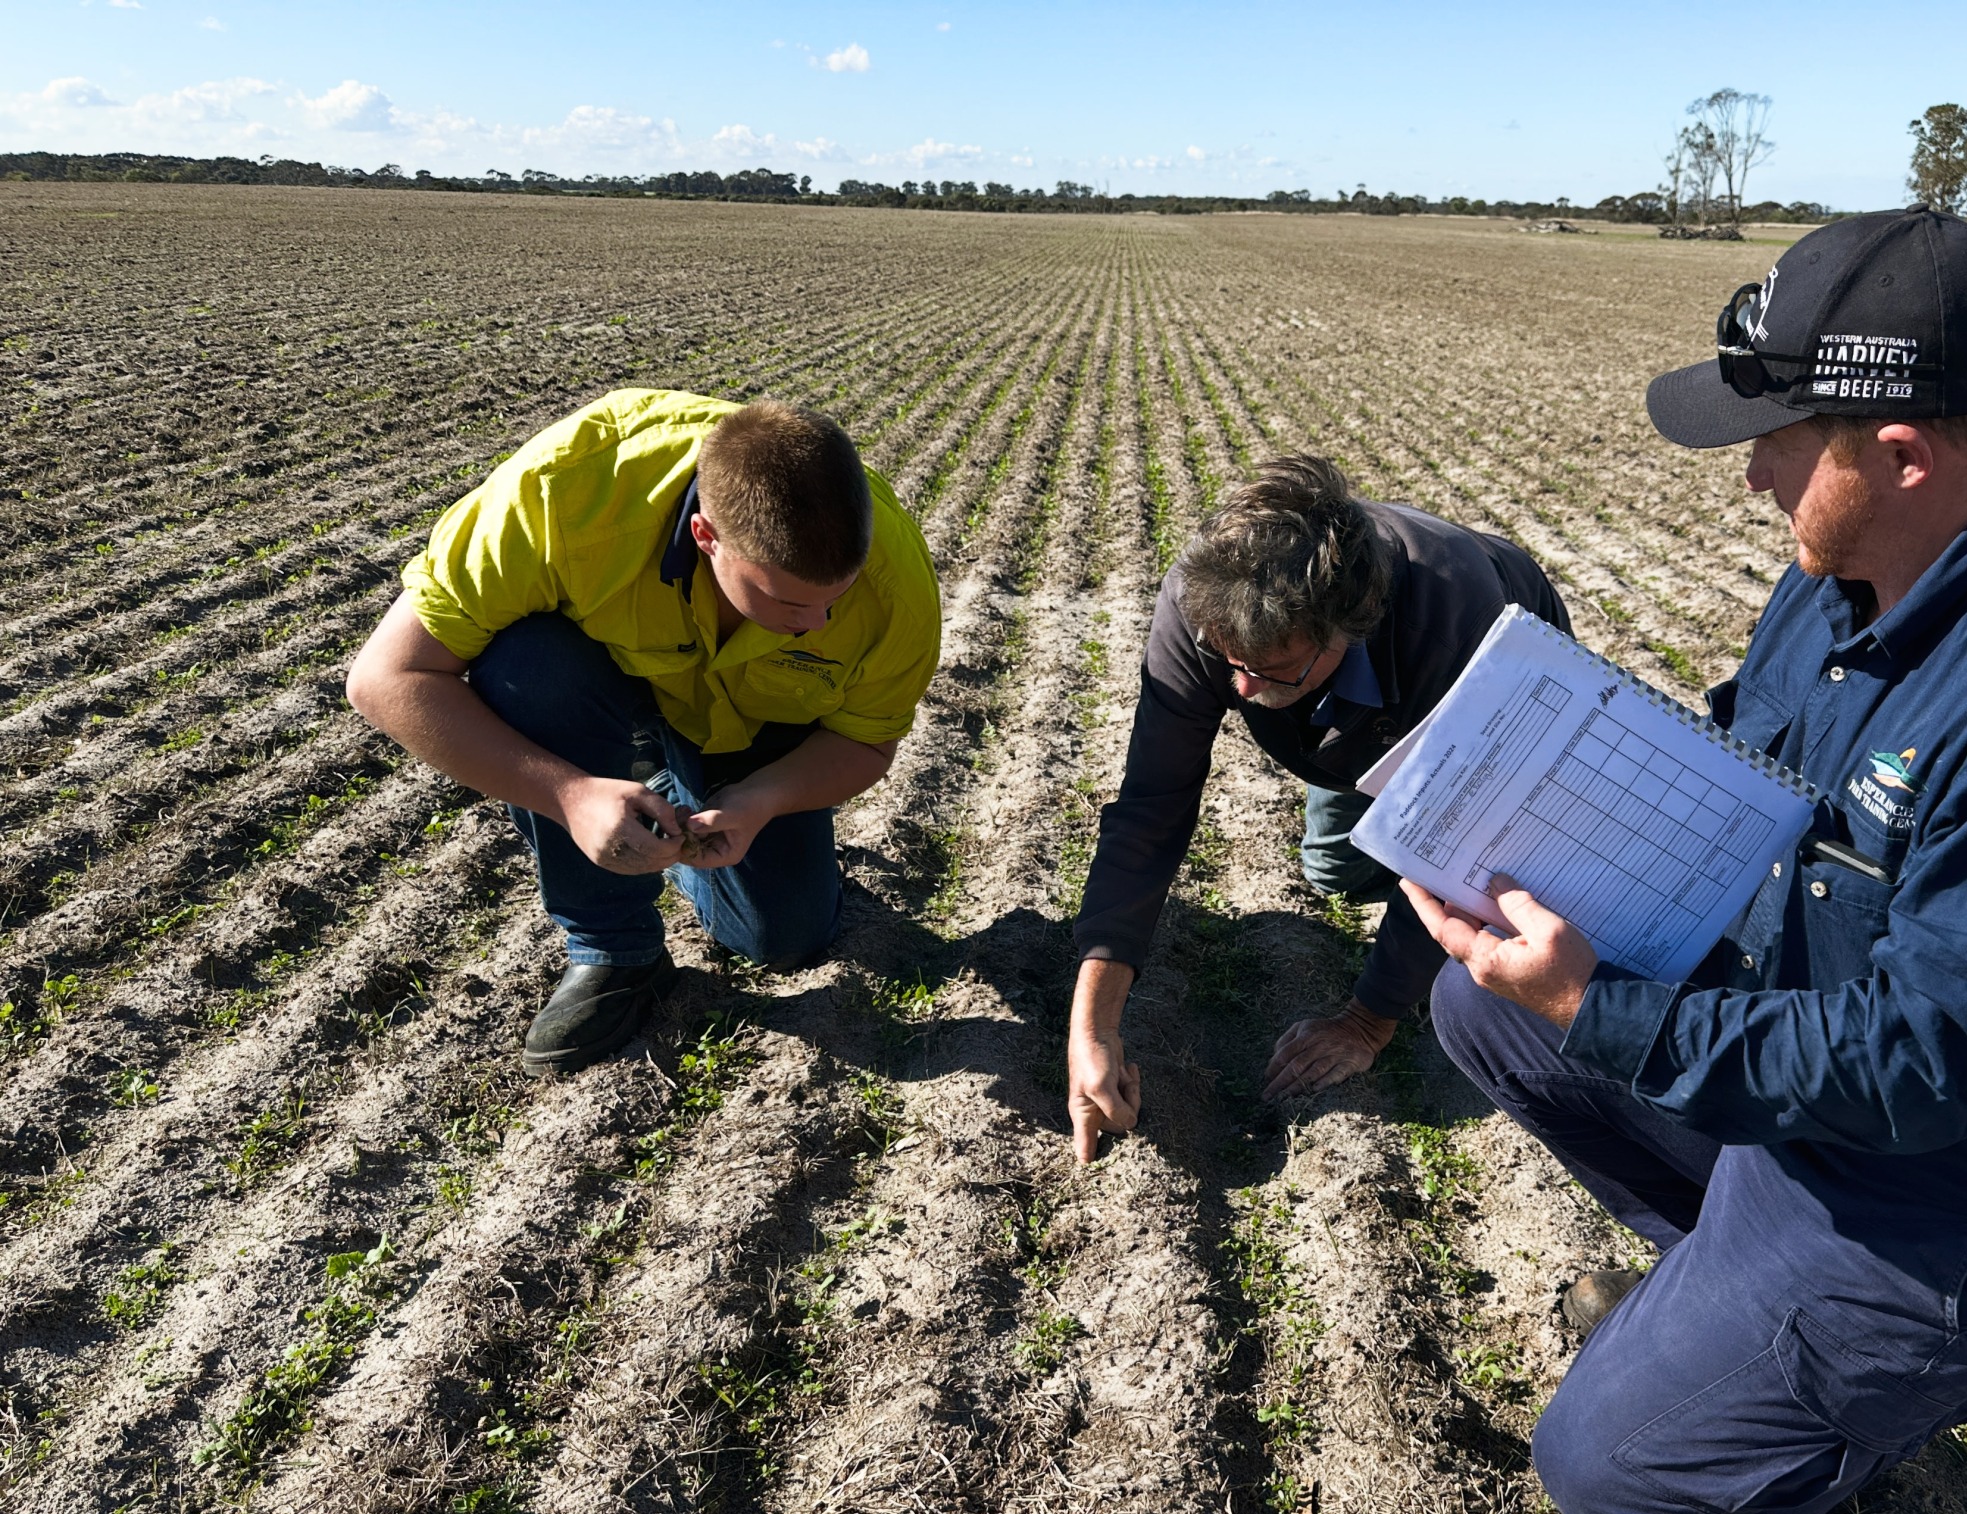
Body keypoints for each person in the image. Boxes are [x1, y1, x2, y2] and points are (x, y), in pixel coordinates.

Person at [1410, 206, 1967, 1514]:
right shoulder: (1839, 579)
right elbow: (1752, 793)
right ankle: (1740, 1303)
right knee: (1480, 1004)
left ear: (1902, 454)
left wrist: (1603, 1007)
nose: (1749, 480)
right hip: (1826, 1083)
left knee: (1609, 1476)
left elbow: (1926, 1066)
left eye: (1776, 444)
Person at [347, 388, 939, 1075]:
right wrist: (568, 794)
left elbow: (866, 742)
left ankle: (664, 800)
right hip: (605, 684)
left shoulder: (897, 584)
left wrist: (759, 802)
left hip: (750, 730)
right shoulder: (561, 497)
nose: (819, 626)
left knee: (785, 938)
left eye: (839, 598)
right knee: (525, 662)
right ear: (706, 536)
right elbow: (386, 679)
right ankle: (614, 950)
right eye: (790, 602)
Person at [1068, 455, 1569, 1160]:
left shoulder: (1456, 623)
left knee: (1467, 860)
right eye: (1227, 661)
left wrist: (1367, 1021)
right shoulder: (1204, 597)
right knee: (1333, 869)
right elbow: (1153, 805)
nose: (1238, 689)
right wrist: (1093, 1025)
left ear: (1348, 629)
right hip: (1350, 718)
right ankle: (1356, 773)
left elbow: (1465, 835)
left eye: (1269, 669)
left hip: (1480, 680)